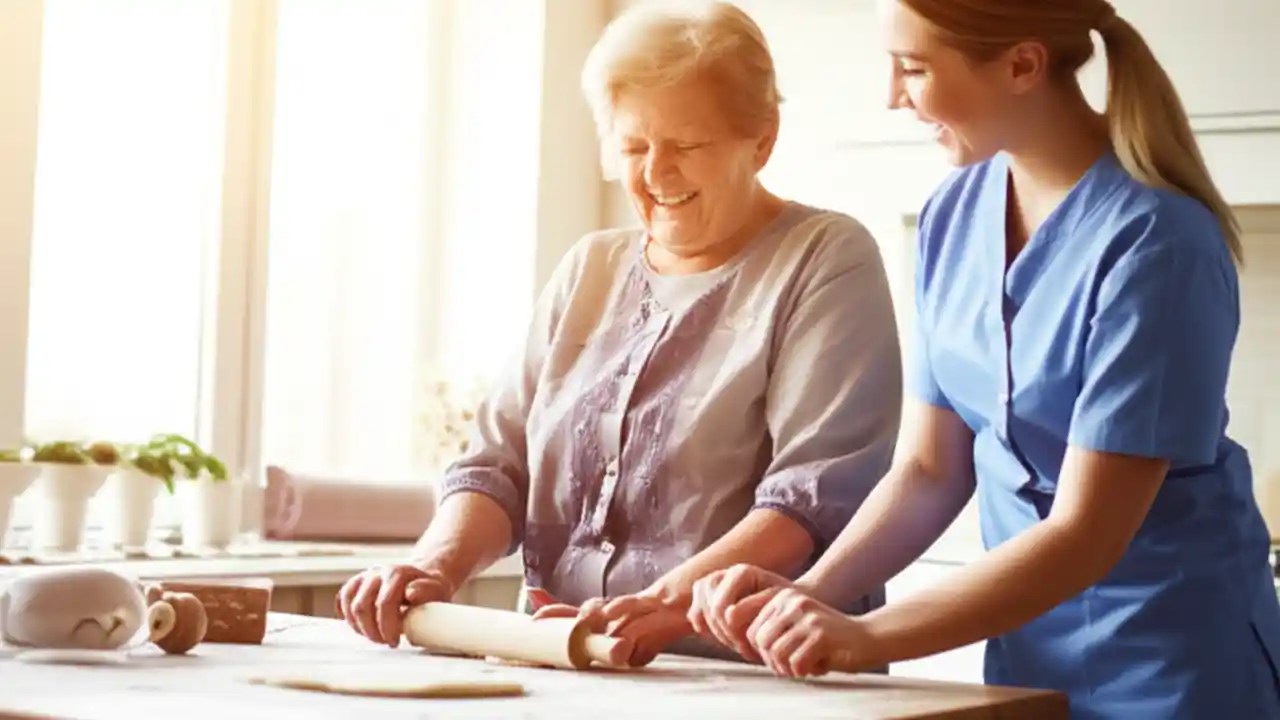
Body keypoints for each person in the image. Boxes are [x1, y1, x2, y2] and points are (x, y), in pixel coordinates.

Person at [686, 0, 1280, 717]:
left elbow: (1084, 533)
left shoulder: (1159, 245)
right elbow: (930, 470)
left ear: (1023, 65)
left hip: (1172, 664)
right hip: (1025, 661)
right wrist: (810, 597)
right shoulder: (953, 212)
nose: (892, 96)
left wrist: (866, 637)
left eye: (914, 68)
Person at [336, 0, 903, 666]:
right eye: (635, 146)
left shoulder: (825, 257)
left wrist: (664, 604)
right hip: (567, 662)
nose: (657, 174)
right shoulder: (589, 269)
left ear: (762, 140)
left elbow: (813, 497)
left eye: (686, 146)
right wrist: (435, 565)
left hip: (754, 672)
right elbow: (497, 467)